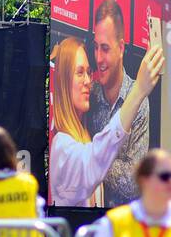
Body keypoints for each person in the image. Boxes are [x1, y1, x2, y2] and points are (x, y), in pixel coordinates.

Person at [50, 35, 161, 207]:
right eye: (79, 73)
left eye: (88, 72)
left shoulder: (83, 136)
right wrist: (138, 90)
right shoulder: (62, 147)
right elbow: (95, 158)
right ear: (64, 81)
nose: (88, 81)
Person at [84, 0, 159, 207]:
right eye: (96, 47)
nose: (98, 58)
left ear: (121, 47)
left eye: (105, 48)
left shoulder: (139, 101)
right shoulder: (89, 95)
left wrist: (90, 156)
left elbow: (133, 182)